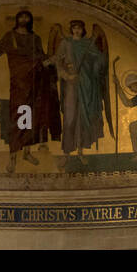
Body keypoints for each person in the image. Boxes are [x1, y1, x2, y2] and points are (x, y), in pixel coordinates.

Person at [0, 9, 61, 173]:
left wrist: (51, 61)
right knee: (17, 120)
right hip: (18, 84)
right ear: (17, 19)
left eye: (27, 17)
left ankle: (27, 153)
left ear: (29, 20)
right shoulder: (11, 37)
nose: (24, 19)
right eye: (21, 16)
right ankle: (12, 159)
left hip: (34, 83)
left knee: (31, 119)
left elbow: (41, 56)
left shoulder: (35, 38)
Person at [45, 20, 109, 165]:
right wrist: (66, 75)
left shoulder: (88, 44)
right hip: (71, 84)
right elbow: (58, 60)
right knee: (69, 117)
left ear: (83, 30)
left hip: (87, 85)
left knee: (82, 118)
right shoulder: (66, 43)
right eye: (74, 28)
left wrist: (98, 65)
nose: (77, 31)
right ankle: (66, 153)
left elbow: (100, 59)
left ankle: (80, 151)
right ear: (71, 29)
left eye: (79, 28)